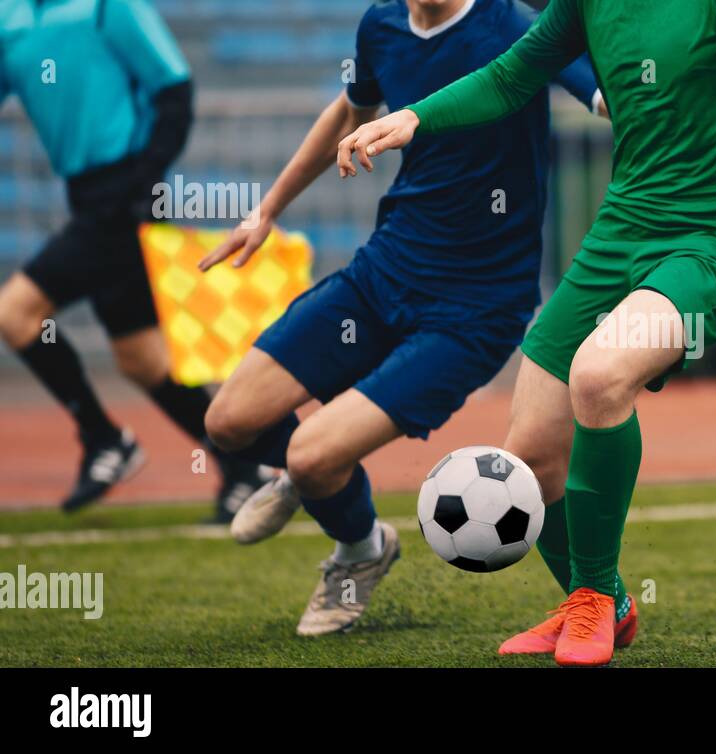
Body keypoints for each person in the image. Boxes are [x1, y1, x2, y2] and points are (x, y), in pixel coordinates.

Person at [337, 0, 716, 665]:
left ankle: (587, 602)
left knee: (600, 376)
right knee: (530, 453)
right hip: (619, 232)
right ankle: (609, 600)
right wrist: (412, 116)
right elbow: (509, 76)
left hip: (714, 242)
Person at [200, 0, 607, 636]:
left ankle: (356, 548)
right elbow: (351, 109)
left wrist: (705, 113)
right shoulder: (381, 26)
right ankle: (314, 479)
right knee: (227, 421)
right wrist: (268, 206)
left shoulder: (515, 25)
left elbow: (606, 97)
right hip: (383, 272)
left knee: (311, 455)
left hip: (474, 311)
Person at [0, 0, 268, 520]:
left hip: (123, 200)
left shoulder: (107, 6)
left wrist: (142, 186)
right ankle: (244, 466)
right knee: (142, 360)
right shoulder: (10, 17)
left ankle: (104, 438)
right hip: (84, 197)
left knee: (15, 313)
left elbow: (174, 90)